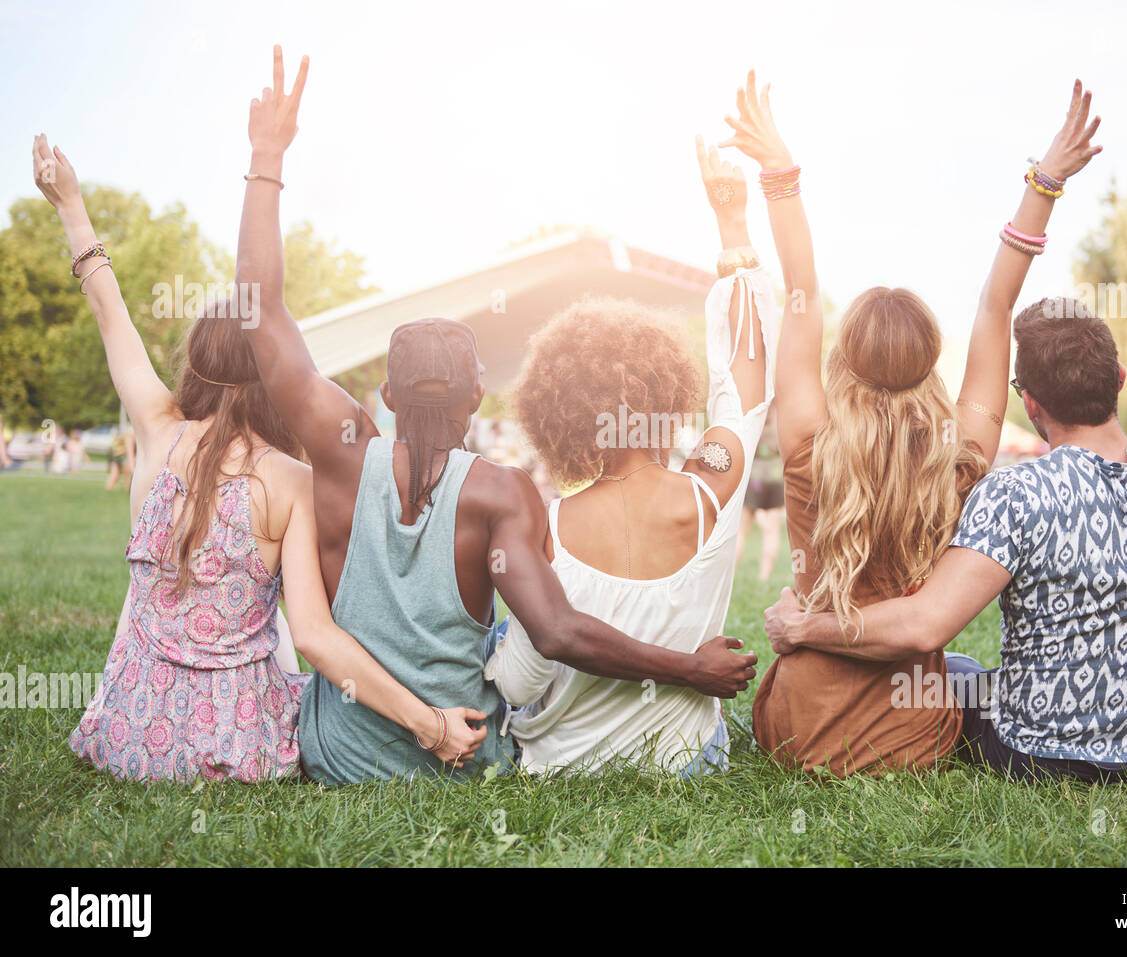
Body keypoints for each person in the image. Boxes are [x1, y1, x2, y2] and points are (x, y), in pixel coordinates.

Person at [235, 47, 757, 786]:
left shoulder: (343, 444)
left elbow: (262, 317)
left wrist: (265, 160)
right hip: (456, 755)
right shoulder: (500, 491)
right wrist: (689, 668)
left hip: (340, 753)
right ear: (477, 398)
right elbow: (557, 631)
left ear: (384, 393)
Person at [765, 143, 1127, 783]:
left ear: (1031, 402)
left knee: (960, 675)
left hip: (1037, 754)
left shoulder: (1014, 496)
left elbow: (925, 625)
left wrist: (805, 625)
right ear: (1120, 377)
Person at [32, 135, 486, 782]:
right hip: (236, 747)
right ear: (274, 380)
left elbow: (110, 313)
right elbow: (314, 636)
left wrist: (70, 203)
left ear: (196, 365)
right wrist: (430, 724)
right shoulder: (289, 481)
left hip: (132, 735)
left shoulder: (158, 430)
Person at [724, 73, 1102, 777]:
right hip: (912, 735)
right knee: (963, 668)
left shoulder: (808, 437)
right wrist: (1043, 183)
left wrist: (779, 174)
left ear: (844, 358)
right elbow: (996, 306)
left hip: (797, 727)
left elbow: (799, 284)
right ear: (931, 360)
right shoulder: (960, 456)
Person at [483, 138, 774, 775]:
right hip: (686, 762)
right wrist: (732, 226)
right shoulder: (711, 492)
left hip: (561, 765)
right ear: (666, 395)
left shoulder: (549, 529)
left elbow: (521, 684)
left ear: (560, 416)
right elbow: (746, 381)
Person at [734, 411, 784, 583]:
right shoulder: (782, 414)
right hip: (776, 477)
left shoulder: (754, 414)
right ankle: (764, 577)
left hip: (754, 478)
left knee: (741, 530)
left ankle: (730, 574)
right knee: (772, 530)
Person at [106, 425, 135, 490]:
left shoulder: (123, 437)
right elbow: (116, 451)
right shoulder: (124, 437)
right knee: (115, 473)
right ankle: (109, 488)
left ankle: (126, 487)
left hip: (119, 457)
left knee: (126, 474)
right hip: (115, 458)